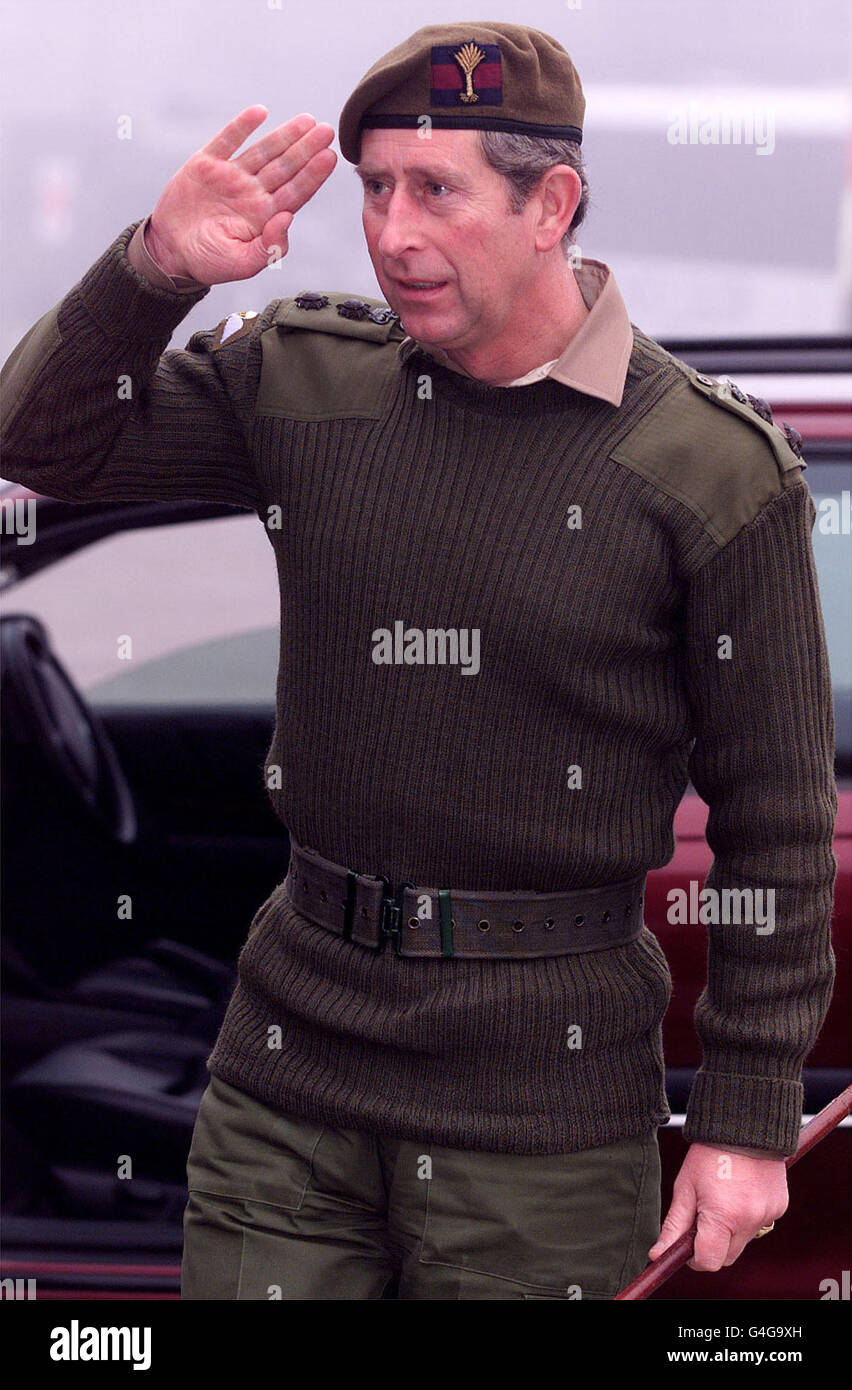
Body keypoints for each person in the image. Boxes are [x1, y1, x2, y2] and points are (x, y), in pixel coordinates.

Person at [0, 21, 836, 1301]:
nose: (392, 234)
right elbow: (44, 442)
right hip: (288, 1083)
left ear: (550, 203)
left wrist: (747, 1119)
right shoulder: (306, 383)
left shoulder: (709, 469)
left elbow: (776, 823)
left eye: (437, 190)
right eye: (375, 188)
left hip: (543, 1121)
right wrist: (155, 269)